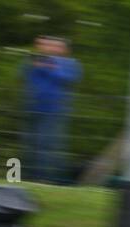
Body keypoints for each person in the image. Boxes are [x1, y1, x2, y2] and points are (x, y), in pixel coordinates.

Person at [22, 36, 81, 183]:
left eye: (58, 46)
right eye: (51, 45)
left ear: (66, 50)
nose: (54, 49)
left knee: (49, 143)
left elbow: (70, 80)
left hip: (55, 109)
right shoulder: (36, 60)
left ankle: (50, 177)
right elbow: (24, 76)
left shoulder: (71, 64)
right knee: (30, 142)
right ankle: (28, 176)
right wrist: (35, 65)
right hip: (33, 107)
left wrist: (51, 69)